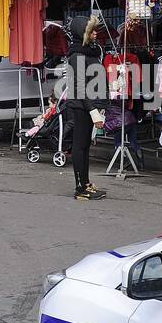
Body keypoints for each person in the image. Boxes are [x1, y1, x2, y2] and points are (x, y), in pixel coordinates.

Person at [64, 14, 107, 201]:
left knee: (85, 146)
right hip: (81, 106)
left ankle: (86, 183)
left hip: (88, 104)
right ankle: (80, 188)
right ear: (83, 33)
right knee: (80, 147)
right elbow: (80, 88)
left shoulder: (88, 51)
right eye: (92, 31)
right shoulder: (77, 54)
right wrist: (93, 111)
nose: (96, 34)